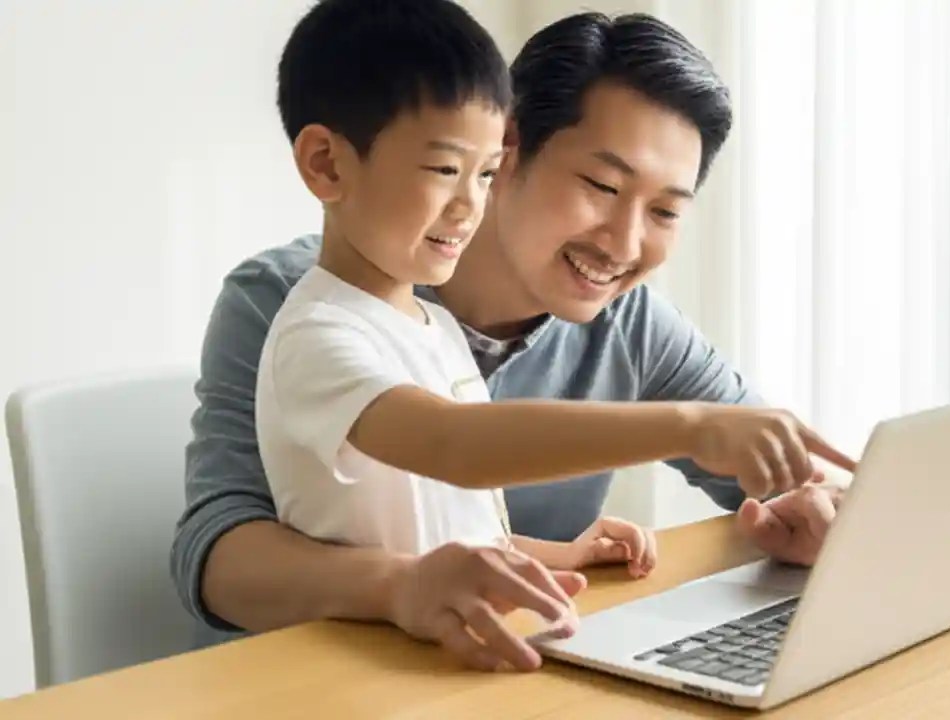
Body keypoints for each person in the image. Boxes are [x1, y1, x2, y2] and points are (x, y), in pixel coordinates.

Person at [172, 7, 856, 673]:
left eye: (665, 211)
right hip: (311, 680)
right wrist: (401, 587)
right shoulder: (294, 305)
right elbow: (221, 563)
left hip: (484, 671)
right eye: (601, 185)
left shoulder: (622, 321)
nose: (624, 244)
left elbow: (778, 464)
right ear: (511, 147)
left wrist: (812, 507)